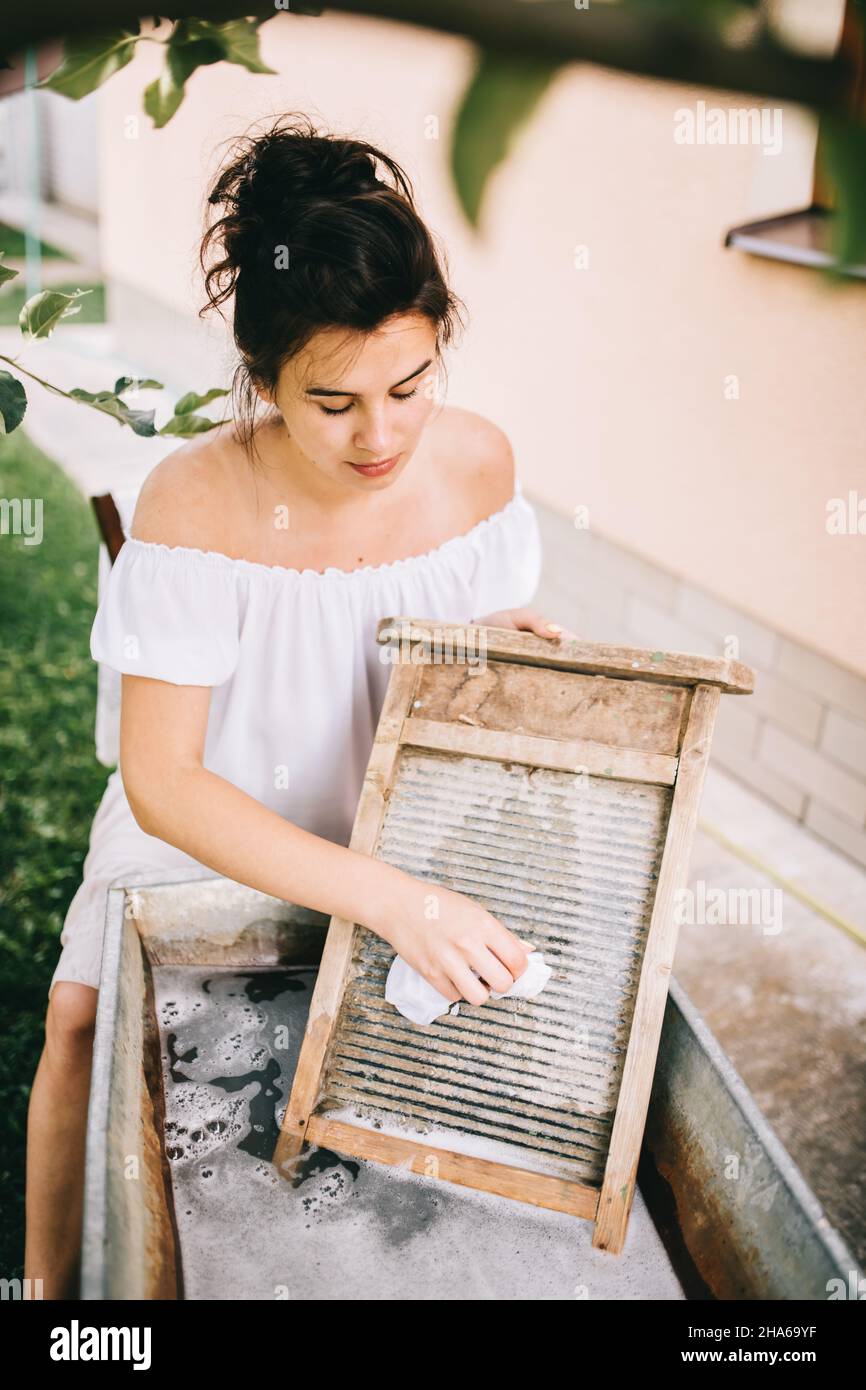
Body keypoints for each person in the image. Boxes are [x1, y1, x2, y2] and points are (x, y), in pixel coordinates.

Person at [24, 113, 574, 1298]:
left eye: (410, 385)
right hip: (219, 805)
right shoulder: (195, 501)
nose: (379, 435)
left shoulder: (478, 462)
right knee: (83, 1018)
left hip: (389, 810)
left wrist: (469, 645)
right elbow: (164, 783)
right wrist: (389, 899)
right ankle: (53, 1290)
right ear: (263, 381)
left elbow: (436, 672)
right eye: (331, 403)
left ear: (440, 347)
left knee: (447, 1025)